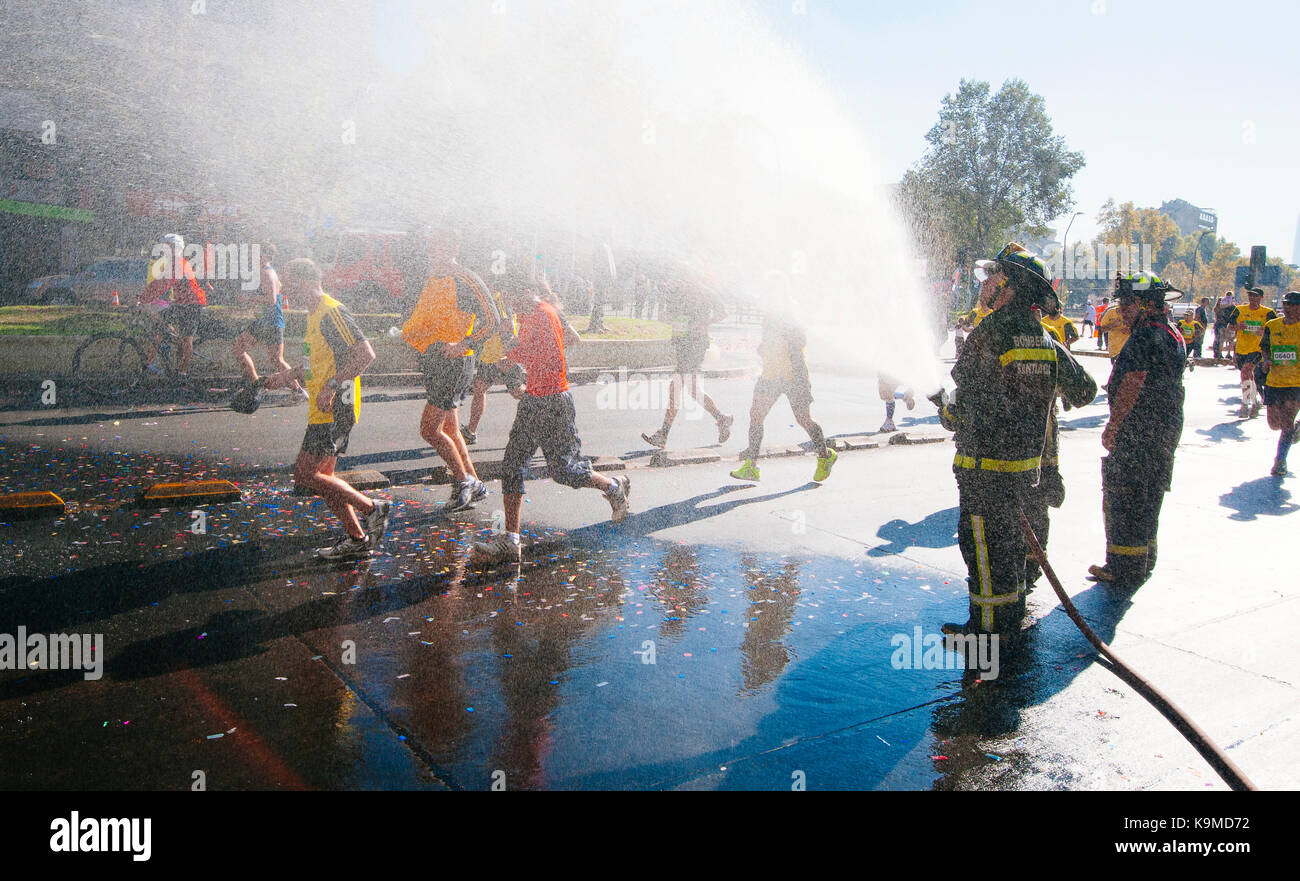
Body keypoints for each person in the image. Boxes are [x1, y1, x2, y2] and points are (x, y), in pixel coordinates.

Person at [932, 242, 1093, 639]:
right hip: (1024, 473)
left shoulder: (991, 332)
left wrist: (942, 404)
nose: (985, 284)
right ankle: (1009, 628)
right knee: (1010, 554)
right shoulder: (1042, 337)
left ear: (1011, 287)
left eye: (994, 276)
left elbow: (962, 412)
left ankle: (986, 639)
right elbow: (1085, 389)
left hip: (984, 469)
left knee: (984, 552)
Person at [471, 270, 631, 564]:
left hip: (553, 402)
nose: (509, 305)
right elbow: (542, 350)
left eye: (509, 299)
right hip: (536, 399)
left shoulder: (543, 315)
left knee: (564, 471)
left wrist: (515, 355)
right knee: (512, 464)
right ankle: (511, 540)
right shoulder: (533, 315)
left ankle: (612, 487)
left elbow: (552, 358)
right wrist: (518, 359)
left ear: (521, 293)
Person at [261, 259, 390, 560]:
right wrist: (287, 376)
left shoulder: (331, 312)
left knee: (304, 474)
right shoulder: (312, 315)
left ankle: (374, 508)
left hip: (337, 408)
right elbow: (314, 364)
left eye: (287, 282)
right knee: (326, 481)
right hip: (323, 409)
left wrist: (332, 385)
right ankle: (358, 539)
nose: (282, 289)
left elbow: (365, 354)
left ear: (305, 281)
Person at [1087, 272, 1186, 591]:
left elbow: (1133, 381)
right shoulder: (1171, 332)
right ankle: (1144, 559)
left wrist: (1114, 425)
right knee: (1149, 494)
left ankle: (1123, 567)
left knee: (1125, 495)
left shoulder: (1145, 335)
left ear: (1146, 304)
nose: (1122, 309)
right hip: (1165, 428)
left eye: (1128, 302)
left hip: (1139, 430)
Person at [401, 227, 502, 511]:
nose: (434, 251)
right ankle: (475, 483)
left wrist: (464, 343)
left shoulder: (466, 279)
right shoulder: (433, 279)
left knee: (429, 430)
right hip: (435, 360)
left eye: (441, 245)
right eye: (431, 245)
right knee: (450, 428)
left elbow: (493, 321)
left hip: (454, 363)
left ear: (455, 247)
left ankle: (462, 482)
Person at [1025, 292, 1098, 587]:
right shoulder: (1045, 338)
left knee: (1032, 508)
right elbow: (1084, 391)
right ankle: (1028, 567)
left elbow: (1082, 390)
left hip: (1025, 451)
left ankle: (1028, 567)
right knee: (1036, 507)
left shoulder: (1045, 337)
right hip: (1042, 447)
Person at [728, 313, 837, 483]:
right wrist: (763, 348)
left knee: (803, 419)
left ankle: (825, 456)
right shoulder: (767, 316)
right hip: (771, 374)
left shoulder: (791, 313)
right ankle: (752, 466)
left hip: (794, 375)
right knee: (756, 415)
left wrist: (783, 332)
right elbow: (767, 343)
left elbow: (801, 340)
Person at [640, 270, 734, 449]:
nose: (683, 279)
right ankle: (722, 419)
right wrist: (668, 312)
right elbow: (667, 315)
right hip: (682, 343)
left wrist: (705, 323)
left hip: (696, 344)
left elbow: (723, 313)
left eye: (687, 276)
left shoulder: (706, 292)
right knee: (693, 391)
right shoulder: (679, 294)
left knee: (675, 388)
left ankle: (663, 434)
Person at [232, 243, 306, 400]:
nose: (253, 256)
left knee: (275, 359)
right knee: (240, 349)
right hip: (264, 322)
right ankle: (257, 386)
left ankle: (296, 390)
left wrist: (248, 298)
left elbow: (272, 300)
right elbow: (278, 290)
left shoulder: (267, 273)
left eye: (256, 253)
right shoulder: (266, 272)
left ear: (265, 255)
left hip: (271, 322)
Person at [461, 282, 525, 445]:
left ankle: (545, 408)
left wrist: (484, 329)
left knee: (517, 392)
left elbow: (507, 325)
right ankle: (471, 431)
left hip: (502, 355)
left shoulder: (497, 299)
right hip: (490, 355)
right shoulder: (490, 298)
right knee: (479, 388)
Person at [138, 233, 207, 375]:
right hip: (180, 304)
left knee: (187, 339)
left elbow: (163, 284)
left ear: (176, 248)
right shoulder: (173, 263)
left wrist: (144, 299)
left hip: (193, 305)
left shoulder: (179, 263)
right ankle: (149, 363)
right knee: (159, 327)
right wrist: (142, 297)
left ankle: (182, 374)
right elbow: (158, 282)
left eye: (168, 247)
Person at [1260, 291, 1300, 476]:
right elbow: (1265, 348)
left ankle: (1280, 461)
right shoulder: (1272, 325)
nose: (1288, 308)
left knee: (1286, 423)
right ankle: (1294, 431)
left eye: (1293, 305)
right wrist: (1266, 360)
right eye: (1286, 304)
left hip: (1296, 383)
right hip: (1274, 381)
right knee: (1274, 424)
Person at [1227, 287, 1277, 418]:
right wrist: (1238, 327)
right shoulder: (1240, 310)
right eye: (1250, 296)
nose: (1252, 298)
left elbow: (1275, 330)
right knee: (1248, 376)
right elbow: (1230, 326)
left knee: (1246, 372)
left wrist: (1264, 331)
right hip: (1241, 348)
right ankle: (1255, 402)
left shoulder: (1268, 312)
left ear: (1261, 297)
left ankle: (1245, 404)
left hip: (1257, 348)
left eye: (1255, 296)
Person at [1097, 287, 1131, 357]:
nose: (1124, 305)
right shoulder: (1110, 312)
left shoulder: (1132, 313)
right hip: (1114, 350)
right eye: (1122, 303)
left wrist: (1131, 330)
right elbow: (1102, 329)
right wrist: (1113, 325)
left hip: (1128, 350)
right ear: (1118, 303)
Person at [1174, 305, 1205, 370]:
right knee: (1183, 356)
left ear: (1191, 317)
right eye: (1185, 315)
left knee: (1186, 355)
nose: (1186, 317)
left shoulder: (1195, 323)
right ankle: (1187, 364)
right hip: (1183, 342)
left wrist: (1197, 335)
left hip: (1191, 341)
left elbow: (1202, 330)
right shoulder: (1181, 322)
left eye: (1188, 316)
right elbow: (1176, 330)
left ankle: (1189, 363)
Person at [1213, 291, 1235, 360]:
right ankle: (1228, 354)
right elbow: (1234, 315)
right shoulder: (1232, 306)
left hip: (1220, 324)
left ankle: (1219, 353)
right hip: (1228, 324)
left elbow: (1217, 316)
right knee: (1230, 340)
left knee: (1220, 340)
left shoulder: (1220, 306)